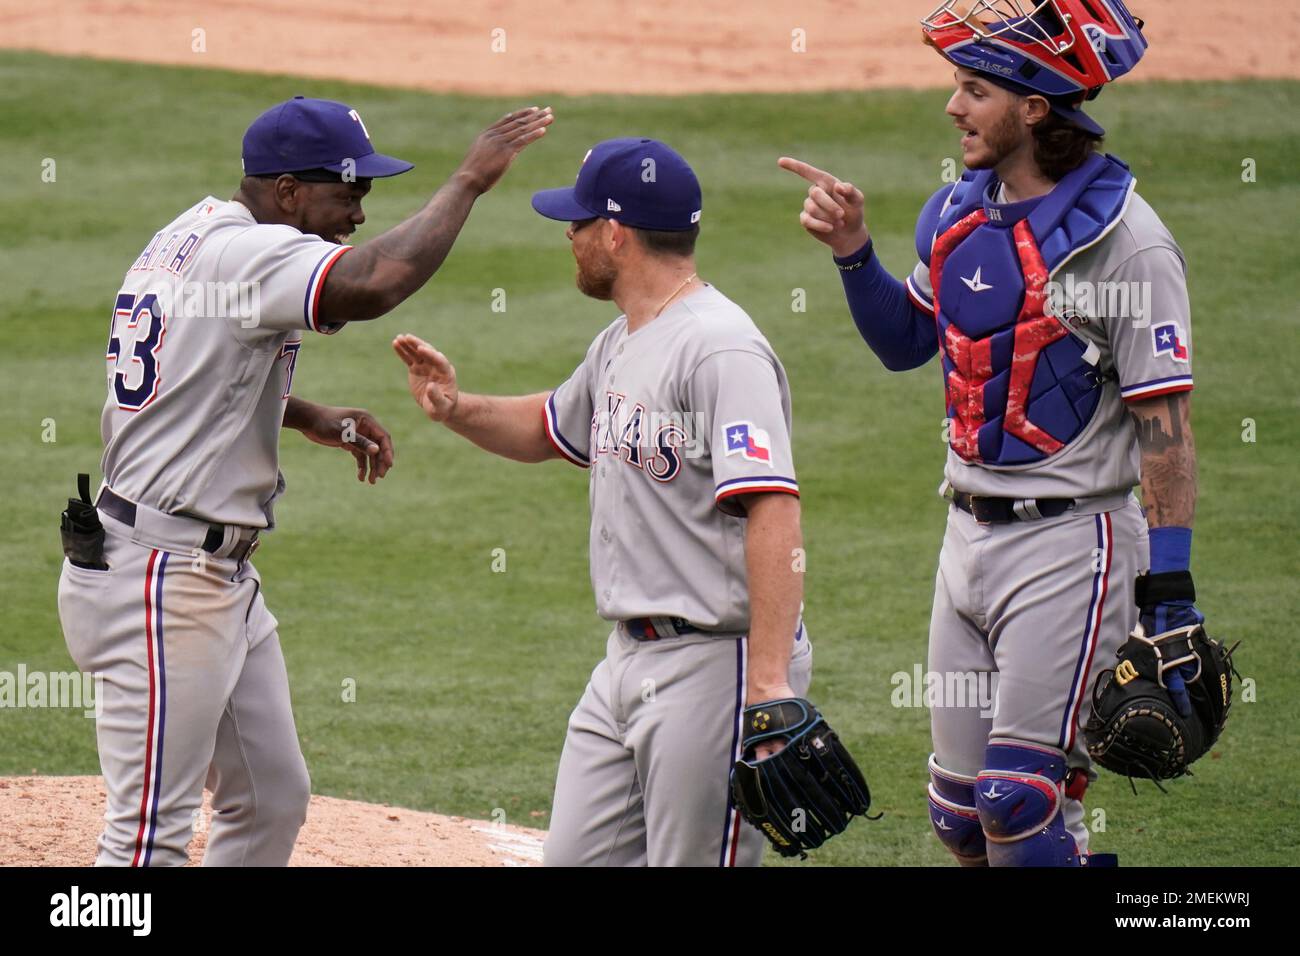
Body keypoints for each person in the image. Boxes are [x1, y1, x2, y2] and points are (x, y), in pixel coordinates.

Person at [57, 95, 552, 866]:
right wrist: (468, 182)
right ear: (287, 191)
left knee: (271, 799)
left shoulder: (192, 233)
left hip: (204, 572)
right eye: (346, 192)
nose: (358, 212)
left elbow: (191, 370)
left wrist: (302, 413)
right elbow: (372, 283)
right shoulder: (247, 255)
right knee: (145, 840)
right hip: (161, 580)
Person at [781, 0, 1202, 865]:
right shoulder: (958, 214)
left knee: (1022, 803)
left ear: (1036, 106)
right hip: (963, 538)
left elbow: (1164, 423)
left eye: (974, 89)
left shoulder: (1129, 245)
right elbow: (906, 343)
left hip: (1070, 544)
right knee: (961, 816)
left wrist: (1171, 589)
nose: (953, 107)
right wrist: (855, 253)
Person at [393, 137, 815, 866]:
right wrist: (457, 407)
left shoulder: (720, 349)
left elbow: (774, 508)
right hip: (625, 663)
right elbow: (550, 426)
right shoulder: (621, 339)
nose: (570, 235)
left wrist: (769, 685)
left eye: (580, 222)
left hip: (714, 666)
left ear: (616, 234)